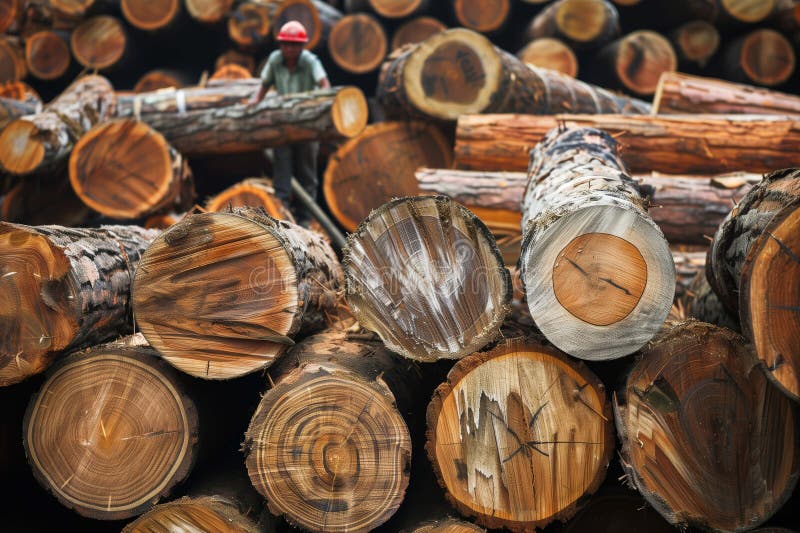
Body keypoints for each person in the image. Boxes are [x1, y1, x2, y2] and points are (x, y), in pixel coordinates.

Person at [251, 20, 331, 226]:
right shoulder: (276, 60)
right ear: (280, 45)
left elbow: (324, 84)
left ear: (302, 46)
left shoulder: (310, 61)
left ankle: (305, 219)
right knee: (282, 173)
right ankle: (282, 214)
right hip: (283, 124)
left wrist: (320, 105)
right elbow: (264, 85)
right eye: (285, 44)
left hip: (306, 125)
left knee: (307, 175)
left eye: (294, 45)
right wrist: (252, 106)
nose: (289, 48)